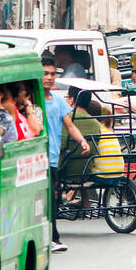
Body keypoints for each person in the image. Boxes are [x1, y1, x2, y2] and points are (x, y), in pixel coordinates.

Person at [37, 54, 91, 253]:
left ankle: (52, 238)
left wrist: (82, 140)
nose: (49, 78)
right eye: (45, 74)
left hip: (51, 159)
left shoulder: (58, 101)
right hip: (33, 160)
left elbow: (70, 125)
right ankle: (51, 238)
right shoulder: (30, 101)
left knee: (52, 200)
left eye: (52, 74)